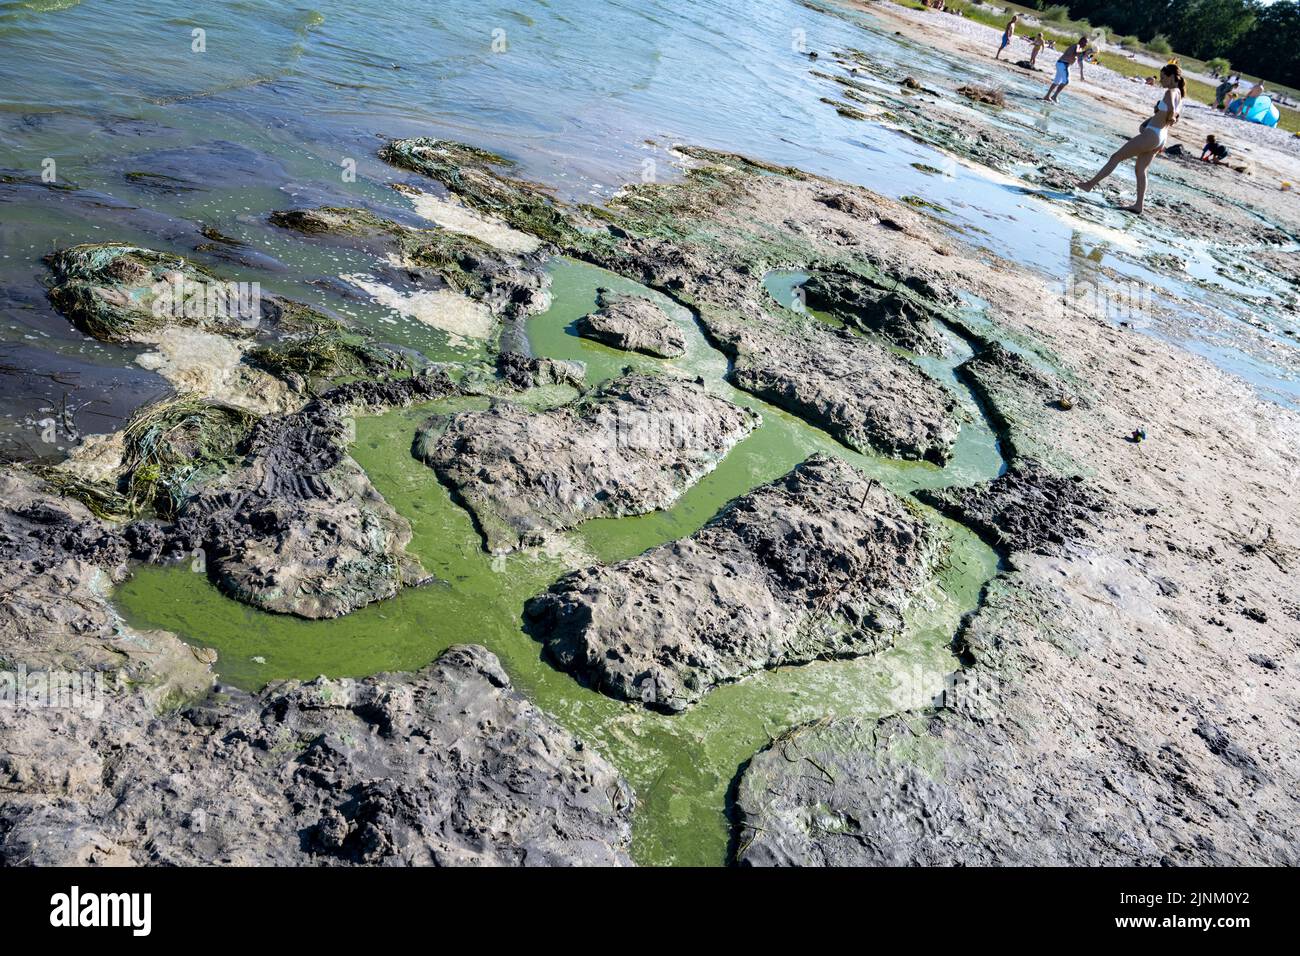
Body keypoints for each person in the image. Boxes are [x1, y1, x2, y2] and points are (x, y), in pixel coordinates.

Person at [1077, 62, 1185, 214]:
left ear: (1171, 77)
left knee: (1116, 157)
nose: (1160, 81)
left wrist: (1171, 116)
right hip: (1161, 137)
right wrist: (1157, 118)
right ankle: (1138, 205)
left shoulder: (1171, 92)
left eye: (1162, 78)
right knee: (1141, 170)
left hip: (1153, 134)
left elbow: (1172, 110)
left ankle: (1089, 185)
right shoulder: (1180, 94)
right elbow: (1168, 113)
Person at [1044, 36, 1089, 102]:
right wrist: (1085, 52)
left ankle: (1047, 96)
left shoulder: (1080, 49)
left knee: (1057, 81)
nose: (1086, 44)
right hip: (1063, 64)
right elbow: (1076, 53)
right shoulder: (1077, 46)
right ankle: (1054, 96)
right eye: (1086, 42)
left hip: (1061, 64)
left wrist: (1081, 74)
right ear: (1082, 41)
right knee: (1066, 81)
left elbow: (1080, 61)